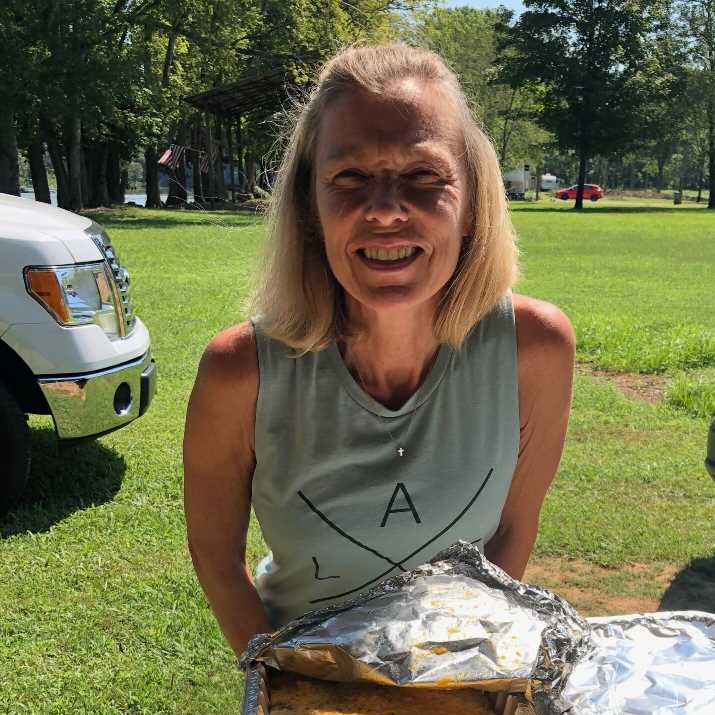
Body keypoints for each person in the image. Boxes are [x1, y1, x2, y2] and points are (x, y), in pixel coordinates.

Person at [183, 43, 574, 657]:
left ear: (472, 203)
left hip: (460, 675)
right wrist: (282, 687)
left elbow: (514, 533)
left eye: (424, 177)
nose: (386, 210)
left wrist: (463, 670)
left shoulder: (537, 349)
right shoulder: (239, 373)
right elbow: (215, 553)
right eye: (350, 178)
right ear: (311, 209)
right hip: (303, 693)